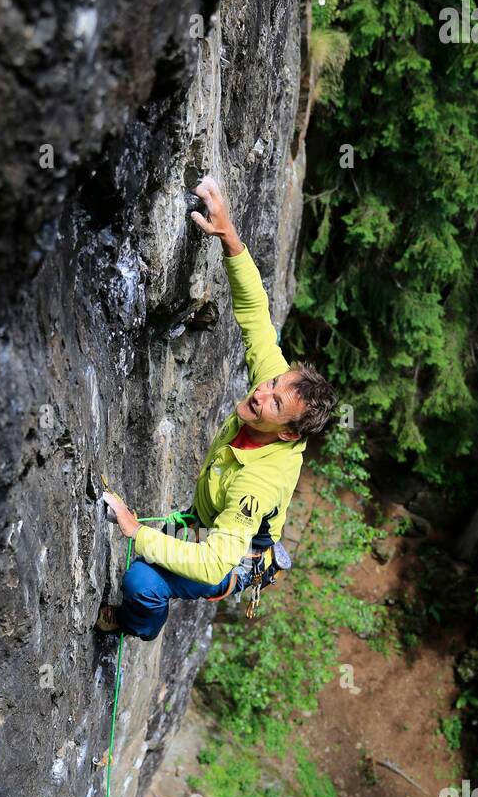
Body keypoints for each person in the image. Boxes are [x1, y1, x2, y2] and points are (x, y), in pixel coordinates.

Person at [96, 175, 338, 640]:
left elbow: (211, 566)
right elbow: (255, 316)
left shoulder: (256, 484)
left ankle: (134, 625)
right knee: (161, 556)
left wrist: (134, 531)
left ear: (288, 432)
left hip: (232, 559)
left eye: (274, 401)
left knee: (141, 579)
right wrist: (230, 237)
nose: (259, 393)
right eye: (271, 382)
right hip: (218, 521)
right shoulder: (273, 388)